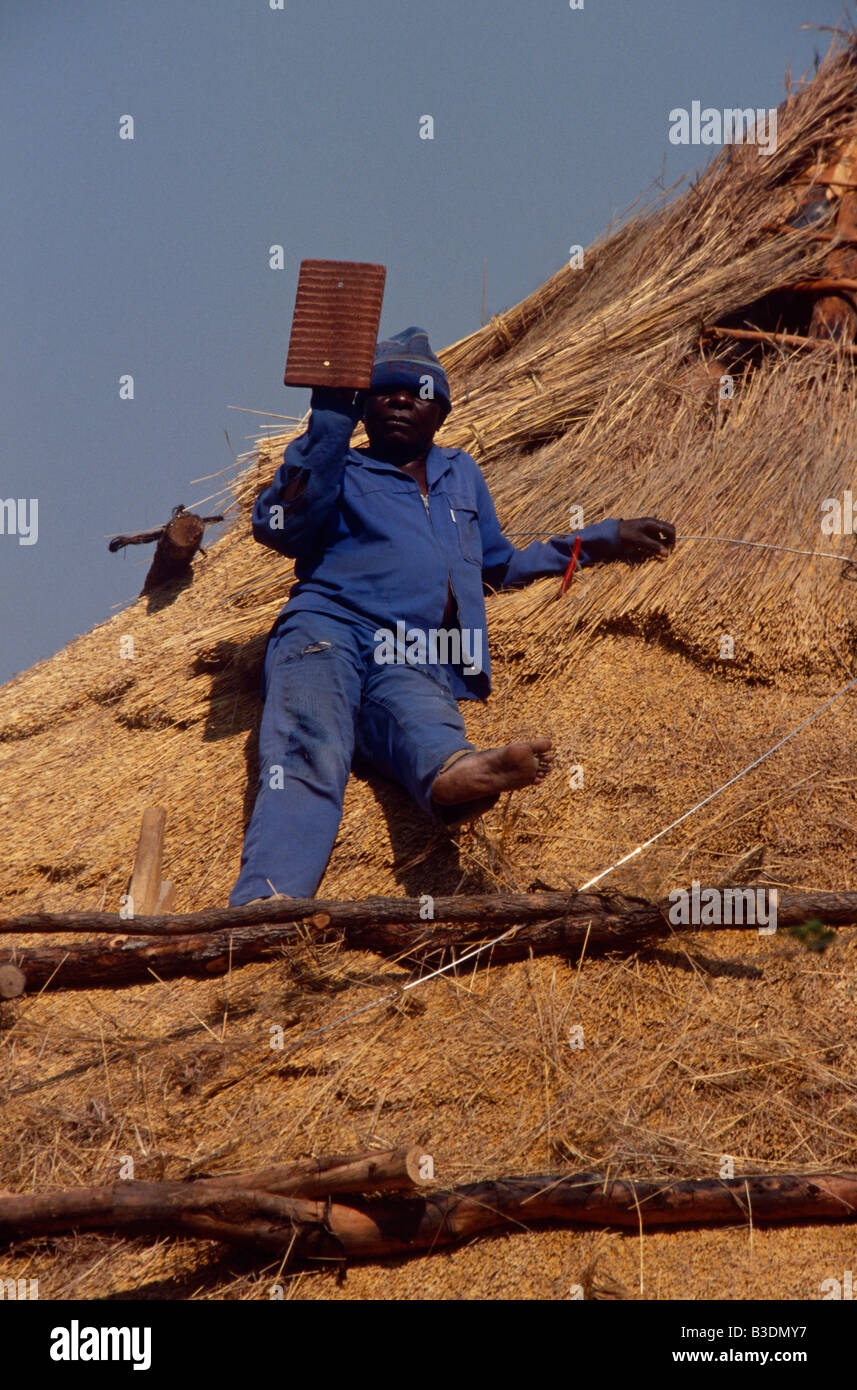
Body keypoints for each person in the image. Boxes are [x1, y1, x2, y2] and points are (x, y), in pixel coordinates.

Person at [229, 327, 674, 905]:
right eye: (384, 391)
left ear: (440, 408)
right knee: (312, 744)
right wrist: (330, 419)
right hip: (327, 630)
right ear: (365, 405)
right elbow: (277, 525)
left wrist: (603, 538)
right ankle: (269, 900)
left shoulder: (461, 475)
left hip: (416, 652)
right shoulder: (340, 470)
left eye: (416, 393)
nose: (399, 400)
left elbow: (501, 565)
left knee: (427, 720)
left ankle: (458, 775)